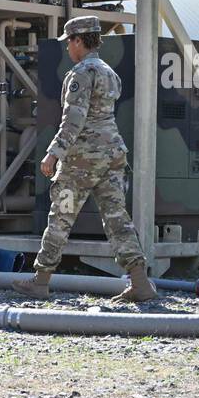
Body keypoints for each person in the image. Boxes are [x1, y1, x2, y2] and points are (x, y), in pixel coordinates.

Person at [13, 16, 157, 303]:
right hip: (112, 154)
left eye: (69, 42)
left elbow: (74, 120)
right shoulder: (109, 73)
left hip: (83, 160)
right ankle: (140, 282)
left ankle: (40, 281)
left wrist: (54, 153)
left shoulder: (80, 74)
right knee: (117, 218)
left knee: (60, 217)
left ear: (79, 40)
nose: (68, 48)